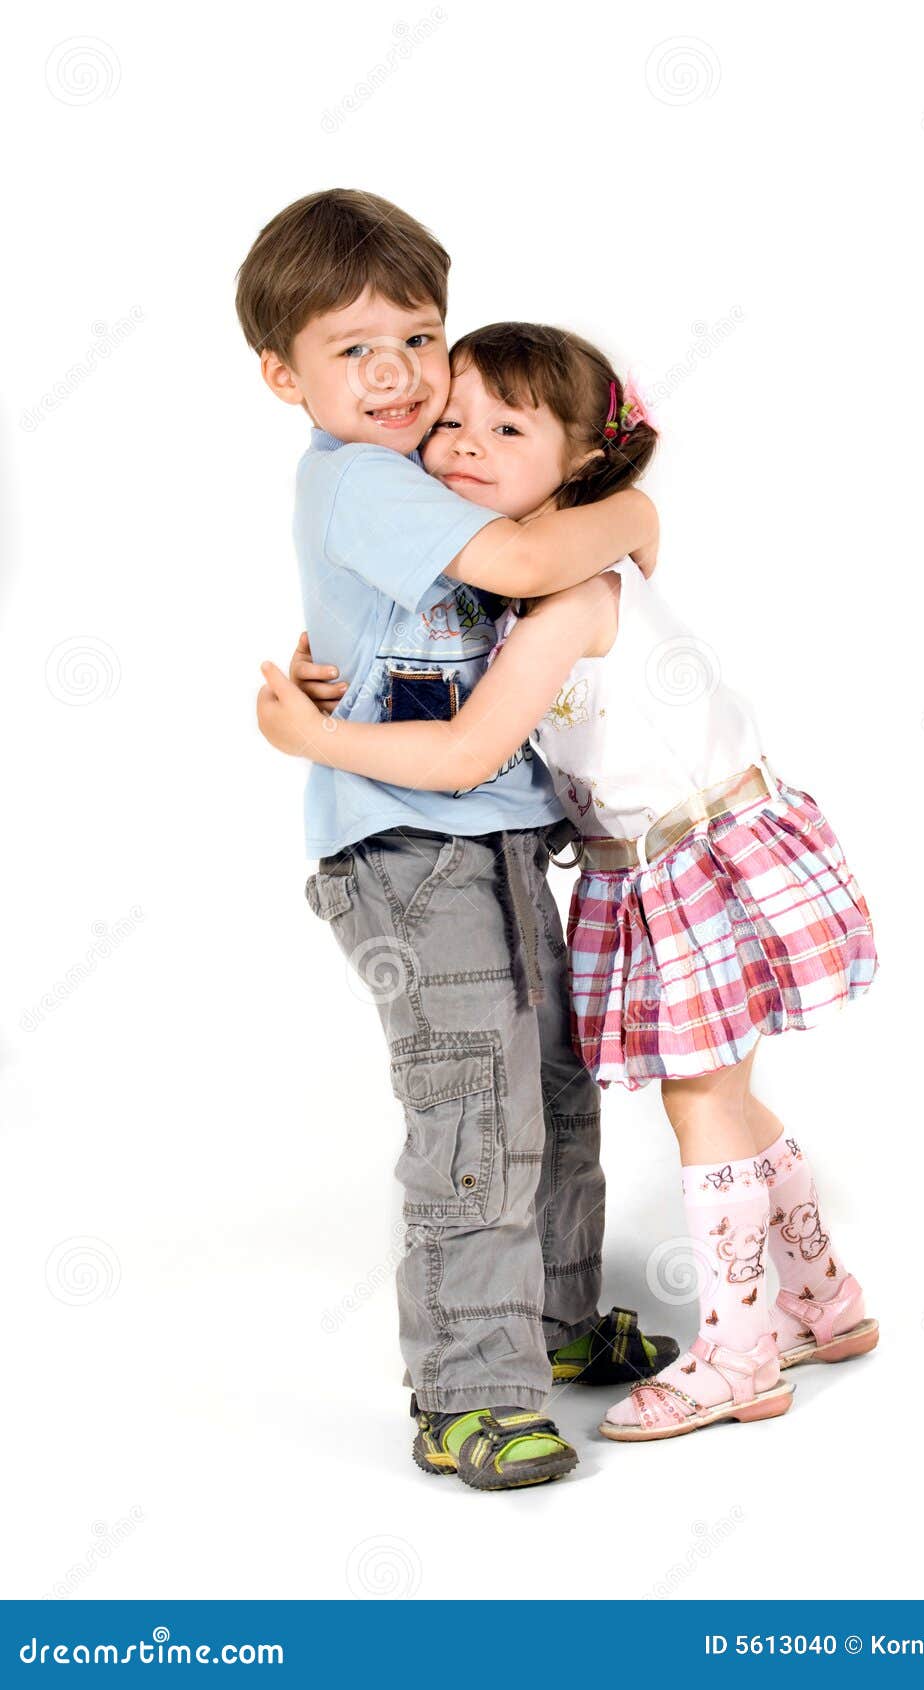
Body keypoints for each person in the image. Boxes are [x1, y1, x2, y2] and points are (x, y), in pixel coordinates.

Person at [258, 320, 880, 1446]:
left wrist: (307, 736)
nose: (461, 445)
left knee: (700, 1100)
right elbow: (412, 619)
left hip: (691, 859)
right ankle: (821, 1303)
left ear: (584, 462)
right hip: (669, 855)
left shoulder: (563, 598)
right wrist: (325, 659)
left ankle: (740, 1355)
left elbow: (459, 753)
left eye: (506, 428)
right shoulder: (517, 580)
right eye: (452, 422)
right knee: (719, 1096)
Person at [236, 192, 674, 1492]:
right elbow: (522, 560)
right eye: (352, 348)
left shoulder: (412, 459)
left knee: (550, 1086)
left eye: (417, 339)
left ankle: (548, 1318)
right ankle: (467, 1392)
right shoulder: (363, 479)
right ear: (283, 373)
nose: (396, 376)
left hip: (491, 836)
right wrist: (634, 523)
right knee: (474, 1110)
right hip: (406, 847)